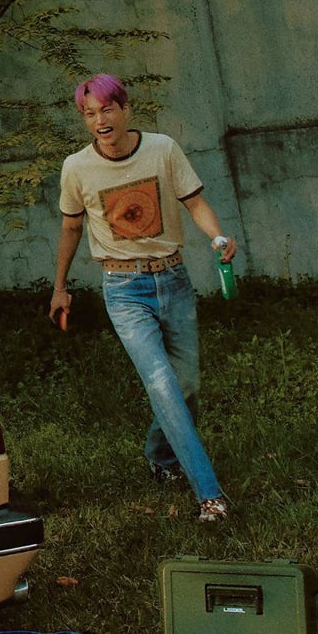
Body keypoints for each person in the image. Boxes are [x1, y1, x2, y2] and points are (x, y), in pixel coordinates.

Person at [49, 73, 237, 524]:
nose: (100, 120)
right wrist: (60, 287)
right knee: (162, 385)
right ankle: (210, 496)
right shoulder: (76, 167)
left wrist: (217, 236)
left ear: (125, 108)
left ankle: (159, 455)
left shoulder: (162, 149)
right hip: (123, 289)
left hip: (174, 280)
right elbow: (71, 228)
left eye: (107, 109)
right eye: (90, 114)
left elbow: (195, 203)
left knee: (186, 388)